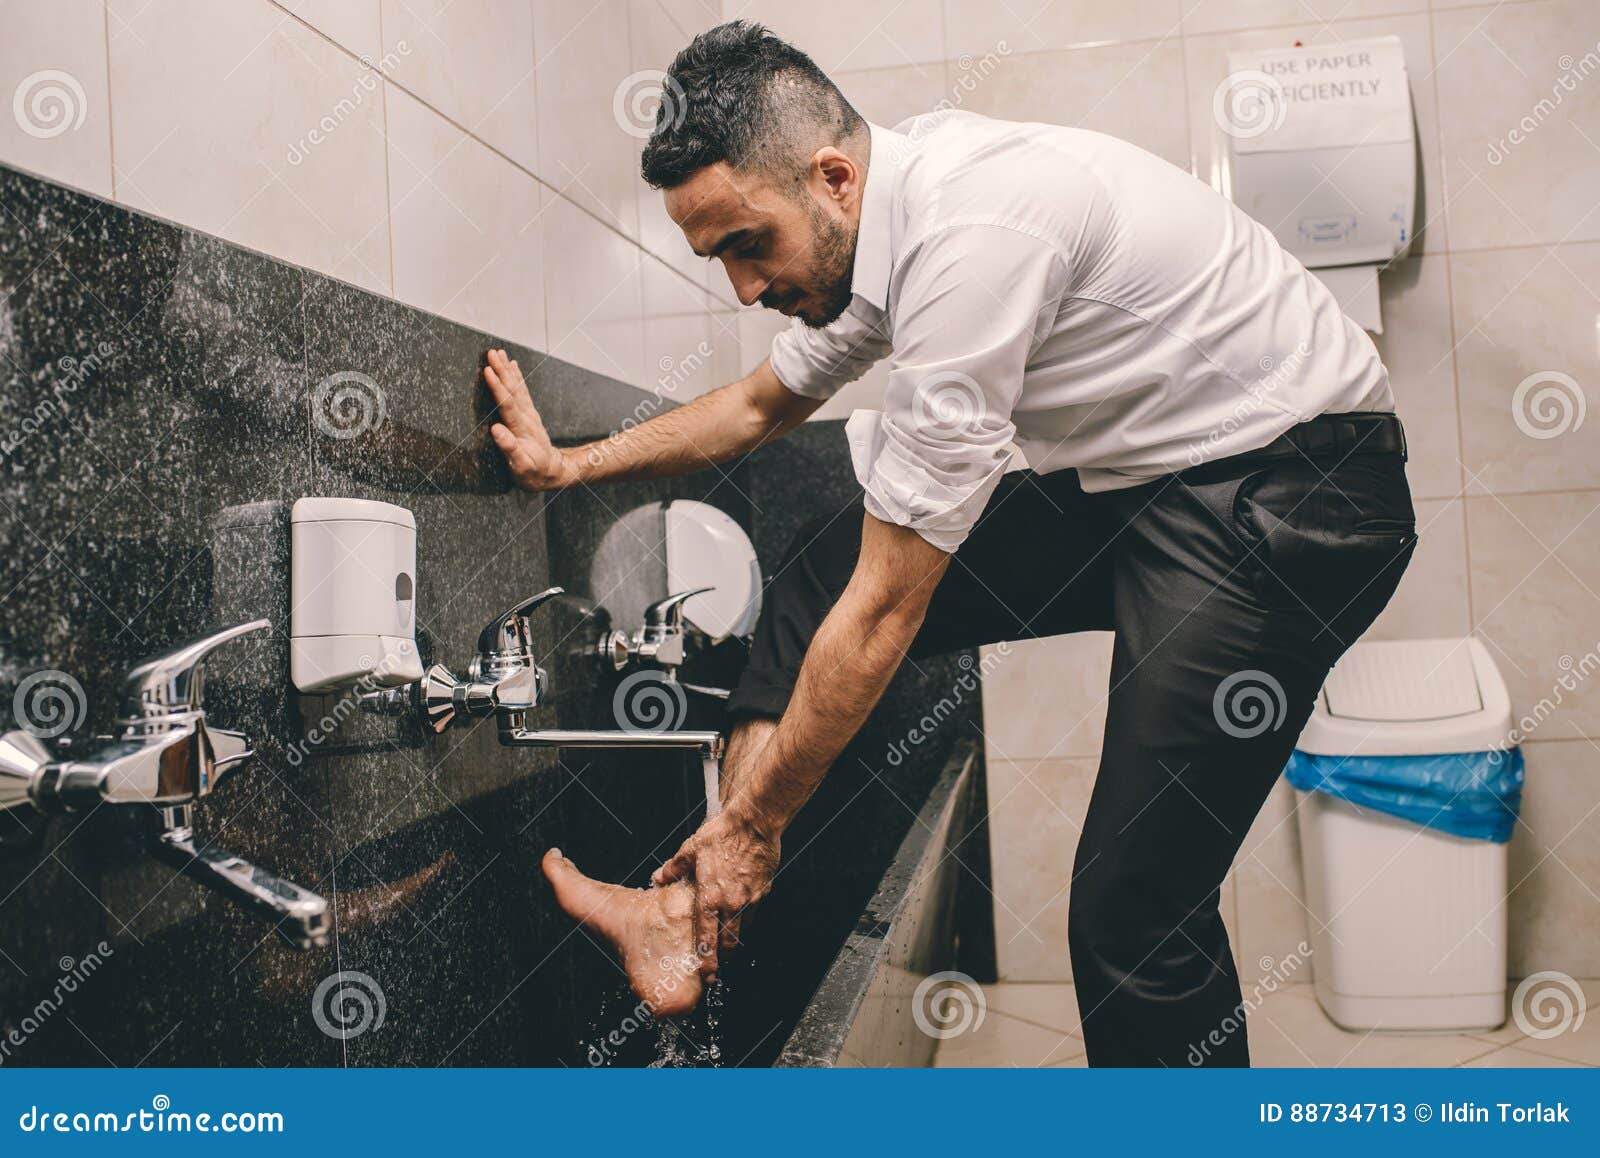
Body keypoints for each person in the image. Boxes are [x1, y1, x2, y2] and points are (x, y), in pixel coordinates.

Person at [489, 21, 1417, 1066]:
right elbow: (757, 405)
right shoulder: (886, 211)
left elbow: (891, 608)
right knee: (819, 572)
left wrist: (757, 822)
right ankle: (694, 911)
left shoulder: (973, 237)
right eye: (717, 259)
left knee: (1132, 907)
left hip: (1294, 498)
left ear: (831, 178)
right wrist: (570, 466)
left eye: (748, 246)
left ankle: (720, 872)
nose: (744, 291)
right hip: (1154, 489)